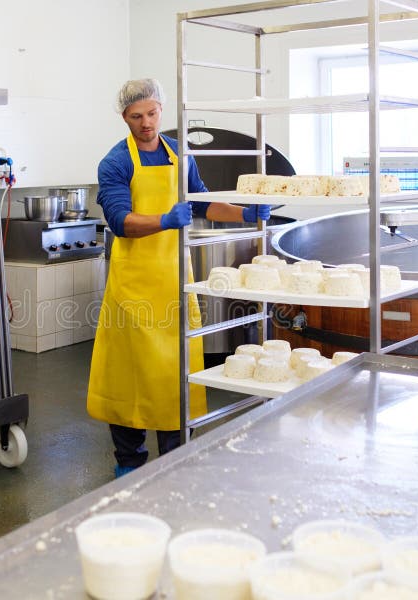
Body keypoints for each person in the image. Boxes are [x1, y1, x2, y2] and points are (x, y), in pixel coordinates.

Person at [87, 78, 271, 478]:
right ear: (124, 117)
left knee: (176, 375)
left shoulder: (180, 157)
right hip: (134, 286)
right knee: (130, 376)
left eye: (152, 113)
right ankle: (129, 463)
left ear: (161, 110)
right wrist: (165, 220)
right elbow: (120, 221)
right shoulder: (115, 162)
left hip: (175, 281)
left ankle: (175, 459)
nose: (147, 123)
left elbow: (202, 201)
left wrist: (245, 213)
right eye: (137, 117)